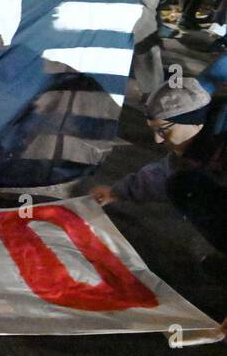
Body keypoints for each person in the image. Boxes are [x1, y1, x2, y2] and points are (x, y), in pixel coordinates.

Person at [91, 79, 227, 277]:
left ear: (195, 123)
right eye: (154, 130)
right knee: (181, 183)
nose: (157, 140)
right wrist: (117, 192)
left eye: (163, 130)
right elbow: (164, 172)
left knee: (189, 187)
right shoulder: (200, 140)